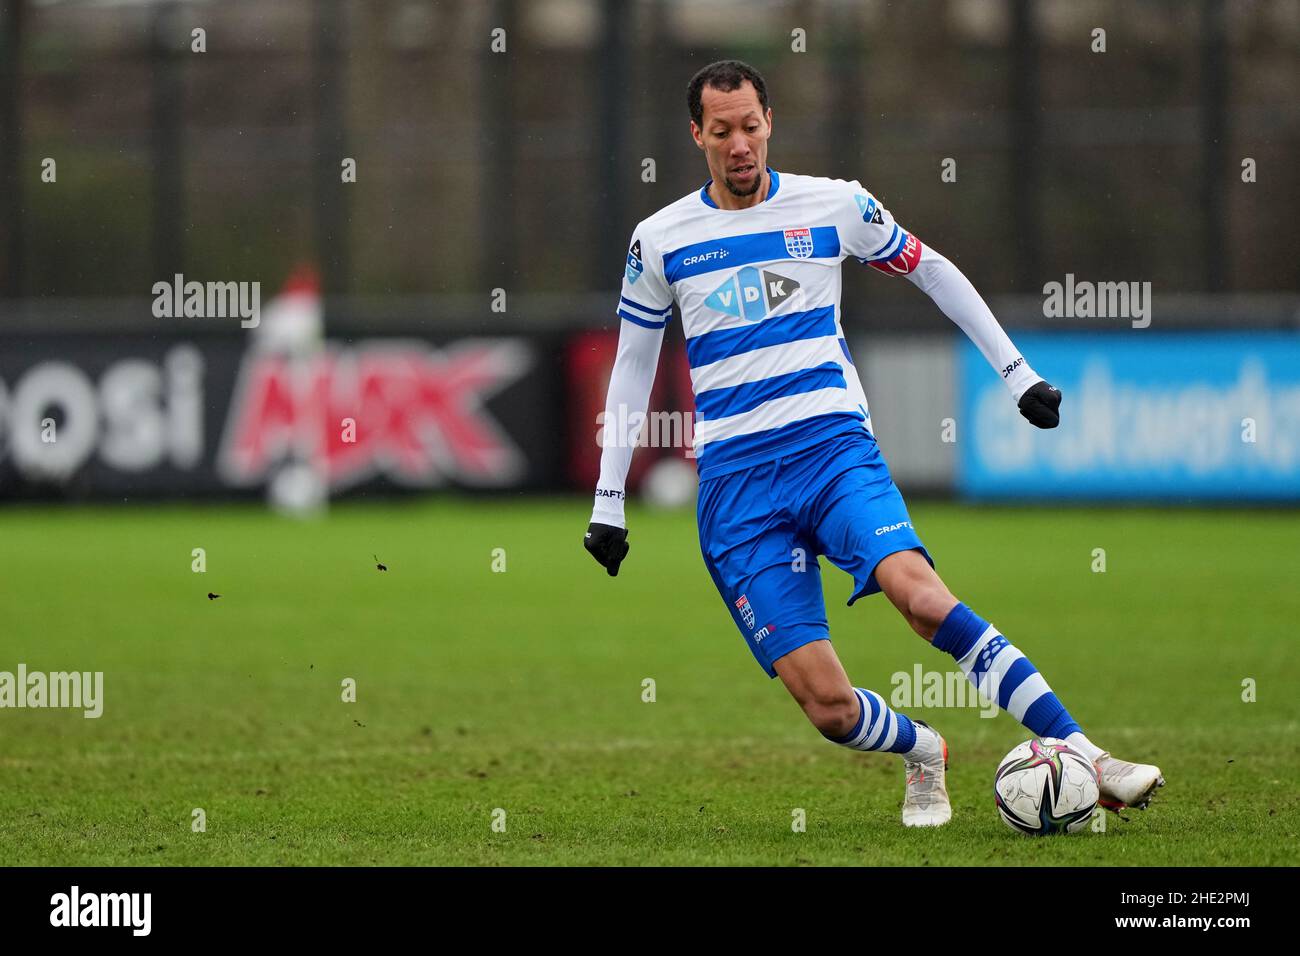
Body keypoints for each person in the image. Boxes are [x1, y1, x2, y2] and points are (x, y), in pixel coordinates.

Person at [583, 59, 1163, 826]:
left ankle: (1091, 757)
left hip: (832, 452)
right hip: (737, 486)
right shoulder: (660, 240)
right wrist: (610, 500)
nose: (739, 145)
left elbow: (934, 271)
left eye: (750, 126)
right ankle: (924, 748)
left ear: (770, 122)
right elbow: (632, 364)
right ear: (696, 134)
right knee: (827, 707)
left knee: (921, 599)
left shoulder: (835, 206)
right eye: (720, 131)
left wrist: (1018, 374)